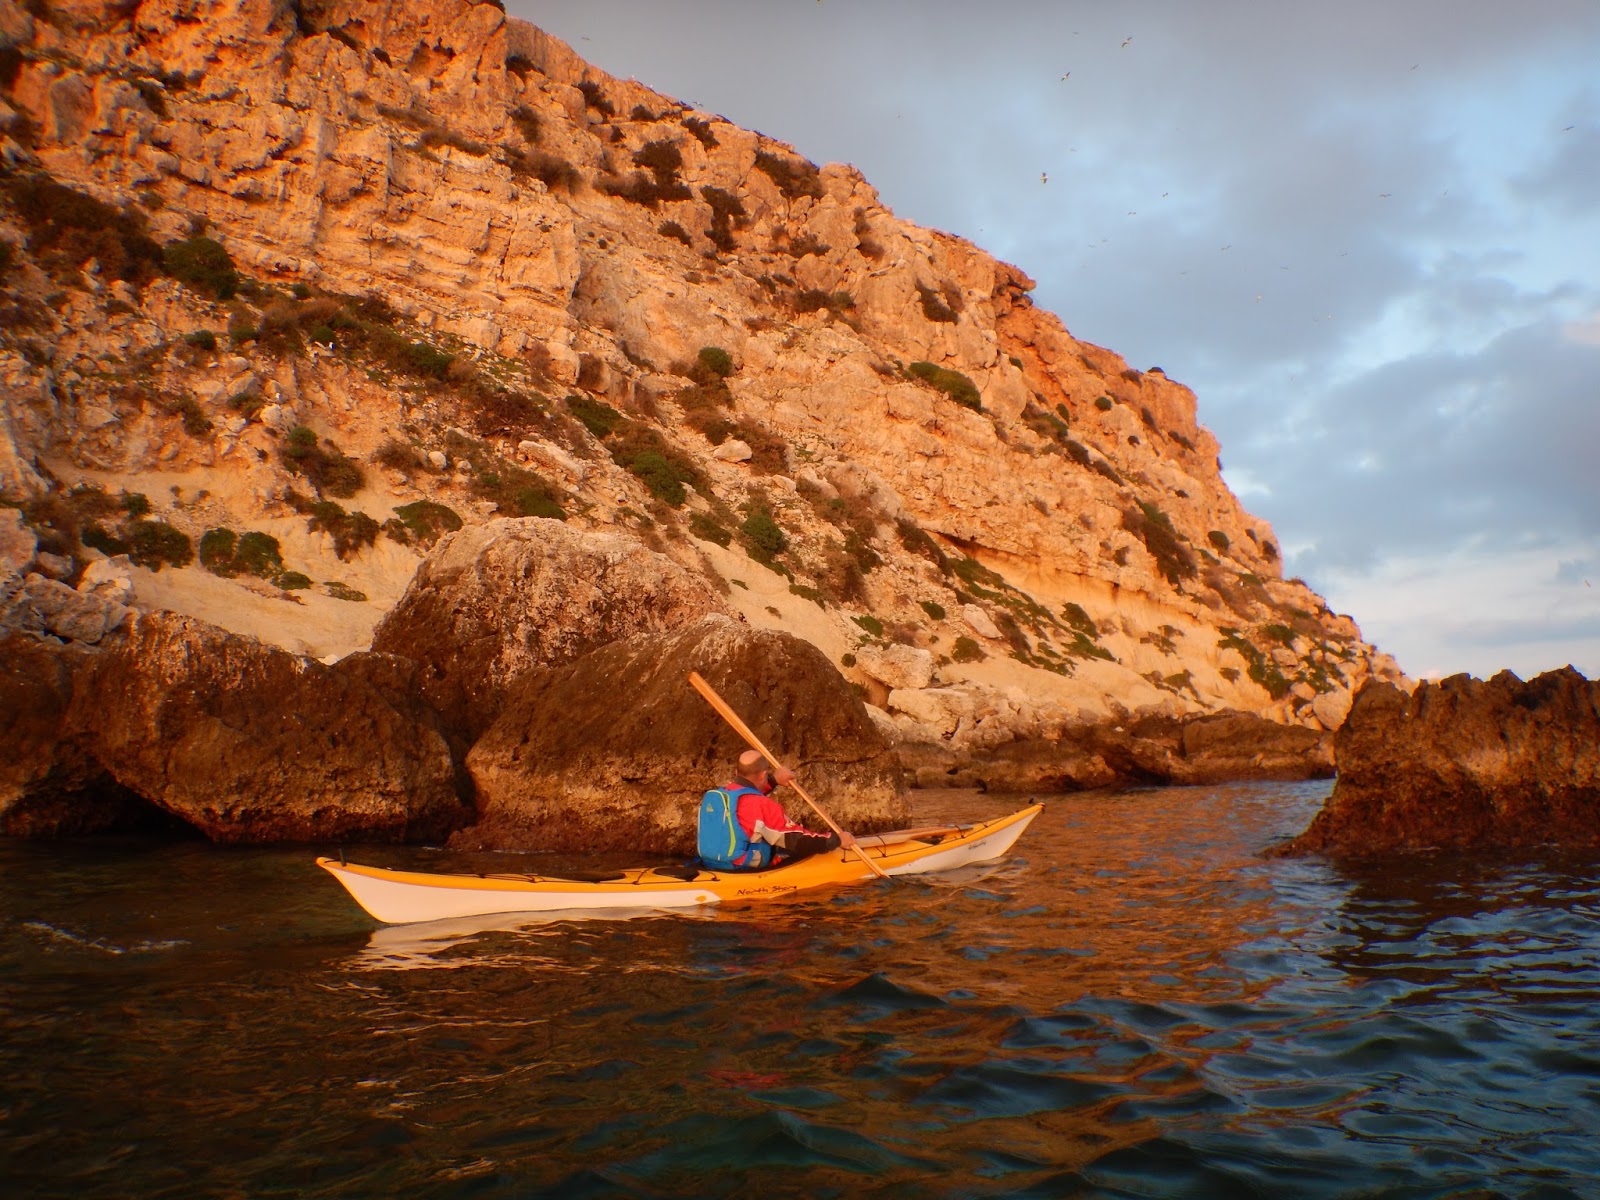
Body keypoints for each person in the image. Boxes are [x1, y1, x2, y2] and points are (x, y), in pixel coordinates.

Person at [698, 749, 857, 872]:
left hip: (712, 864)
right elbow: (796, 839)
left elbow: (749, 799)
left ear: (736, 773)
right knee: (795, 849)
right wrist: (836, 840)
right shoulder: (763, 806)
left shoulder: (722, 795)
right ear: (763, 775)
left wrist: (774, 780)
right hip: (743, 868)